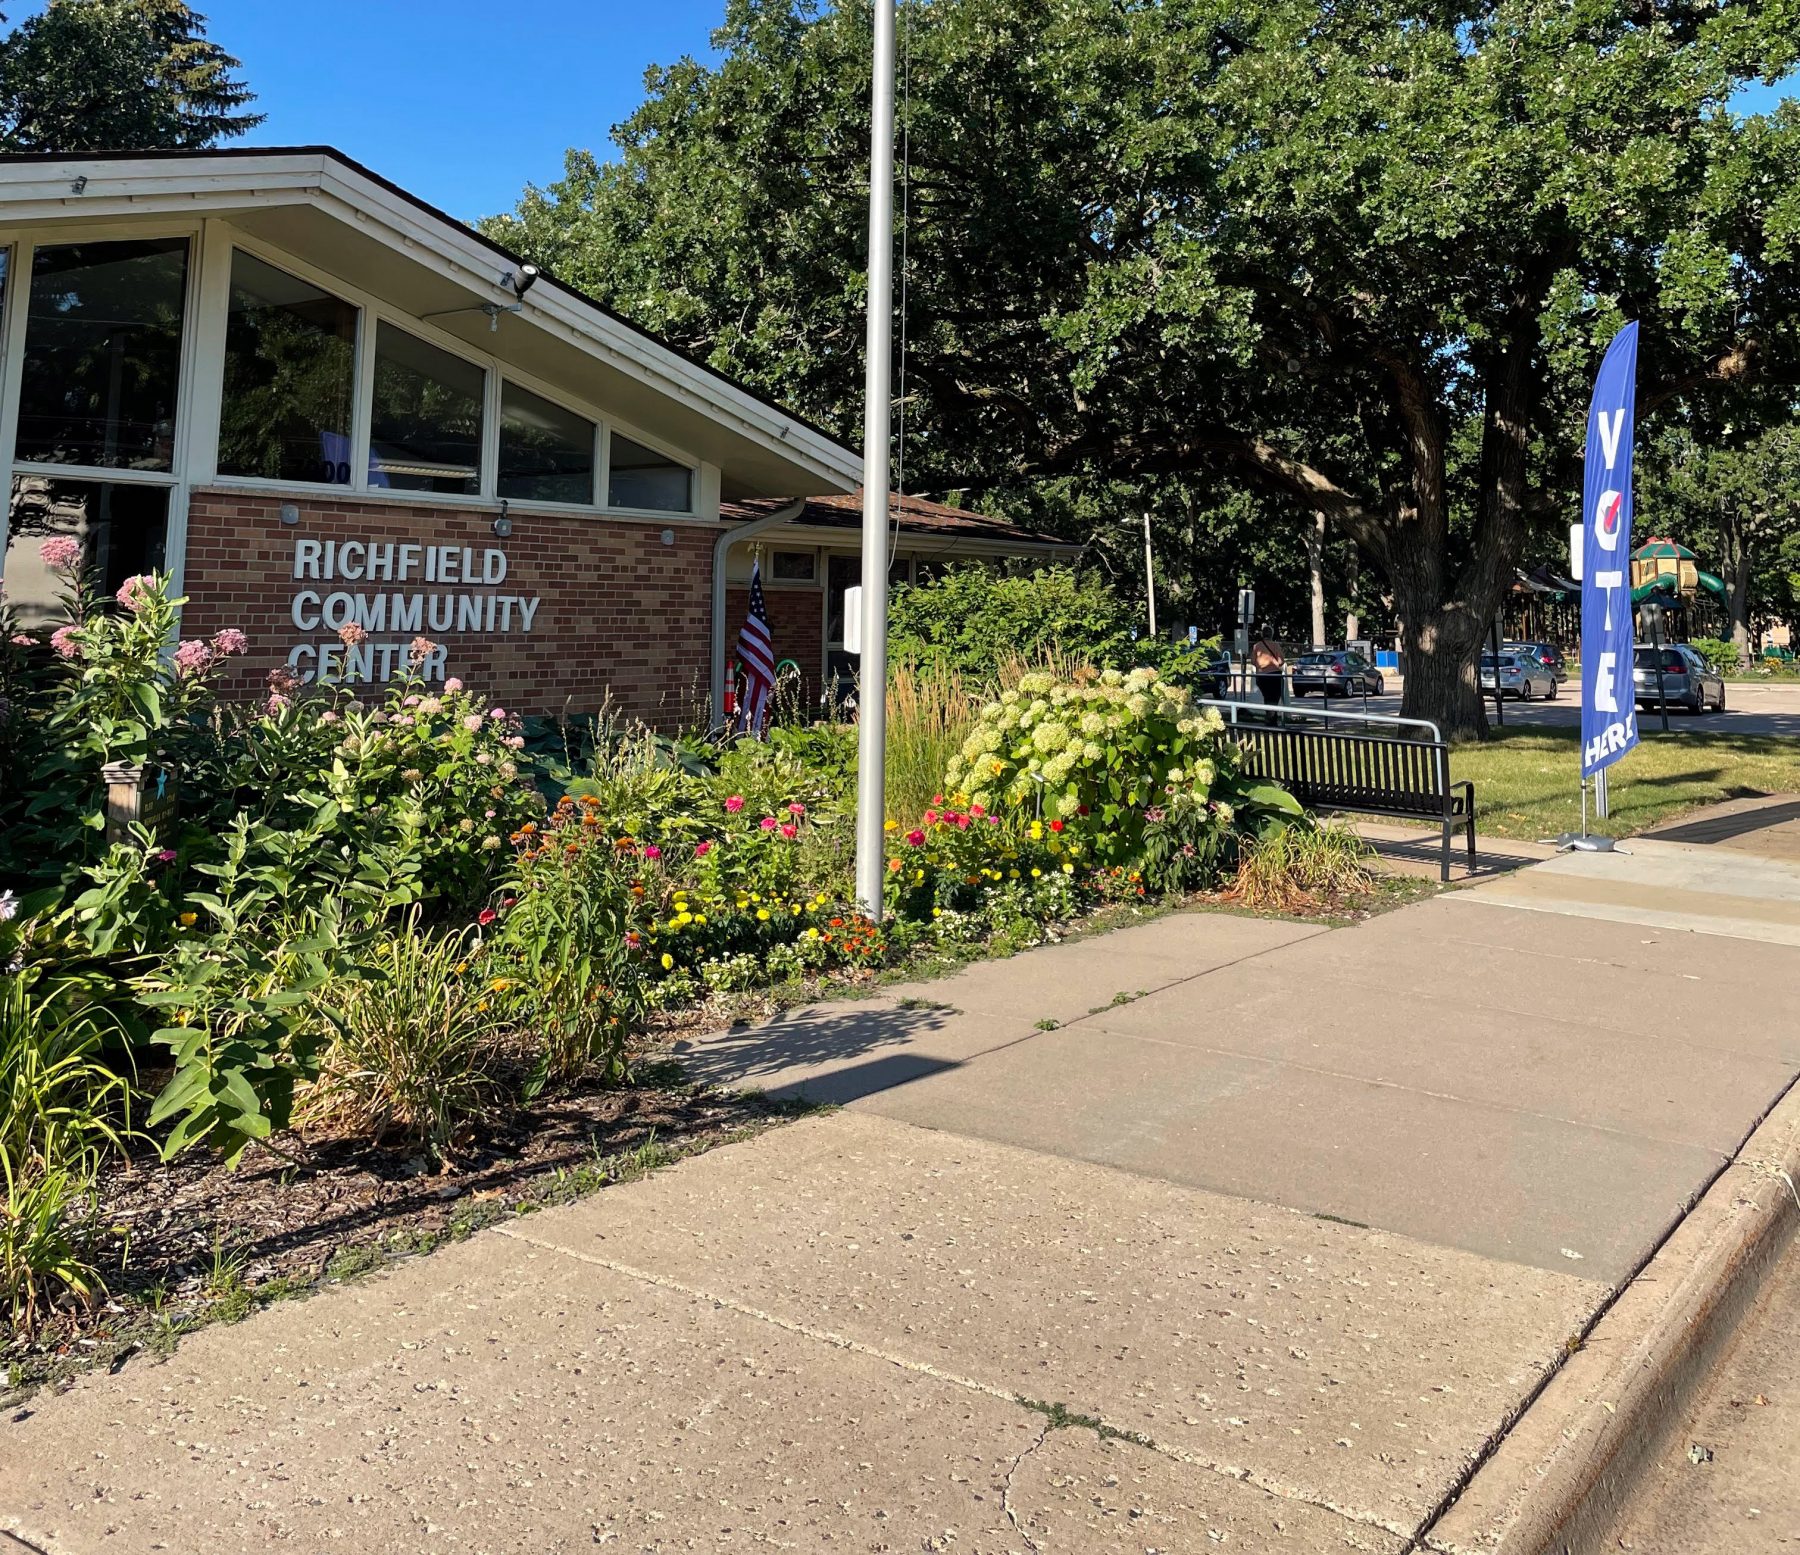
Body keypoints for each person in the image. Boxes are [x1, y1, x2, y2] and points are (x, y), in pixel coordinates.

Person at [1251, 630, 1286, 706]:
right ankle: (1273, 714)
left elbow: (1253, 661)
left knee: (1267, 697)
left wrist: (1260, 664)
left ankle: (1270, 714)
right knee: (1275, 697)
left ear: (1262, 635)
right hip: (1275, 675)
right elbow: (1281, 662)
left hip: (1261, 676)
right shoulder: (1276, 645)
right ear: (1272, 635)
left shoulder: (1256, 646)